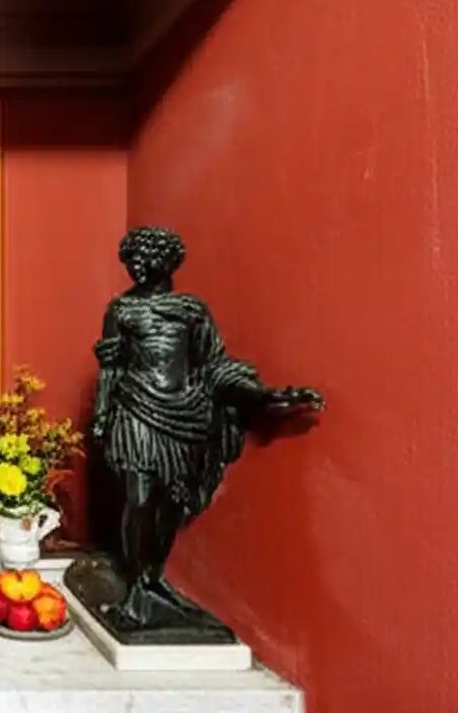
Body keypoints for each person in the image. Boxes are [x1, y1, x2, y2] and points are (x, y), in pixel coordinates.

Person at [92, 226, 322, 630]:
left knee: (167, 503)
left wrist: (258, 395)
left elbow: (213, 364)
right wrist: (100, 416)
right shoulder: (121, 311)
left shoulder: (192, 311)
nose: (138, 267)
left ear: (168, 262)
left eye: (147, 259)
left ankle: (151, 581)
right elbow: (110, 368)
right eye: (132, 261)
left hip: (180, 413)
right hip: (133, 410)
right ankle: (137, 583)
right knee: (139, 496)